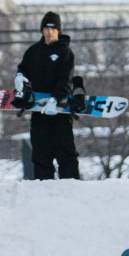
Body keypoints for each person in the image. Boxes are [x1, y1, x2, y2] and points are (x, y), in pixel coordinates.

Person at [13, 11, 79, 180]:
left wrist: (55, 100)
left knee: (65, 153)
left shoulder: (65, 52)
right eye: (46, 28)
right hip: (39, 112)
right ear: (42, 30)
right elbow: (23, 68)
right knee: (41, 154)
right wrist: (20, 77)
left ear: (59, 31)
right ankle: (43, 190)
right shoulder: (33, 51)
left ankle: (71, 189)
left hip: (60, 112)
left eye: (53, 28)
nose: (49, 32)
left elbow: (66, 79)